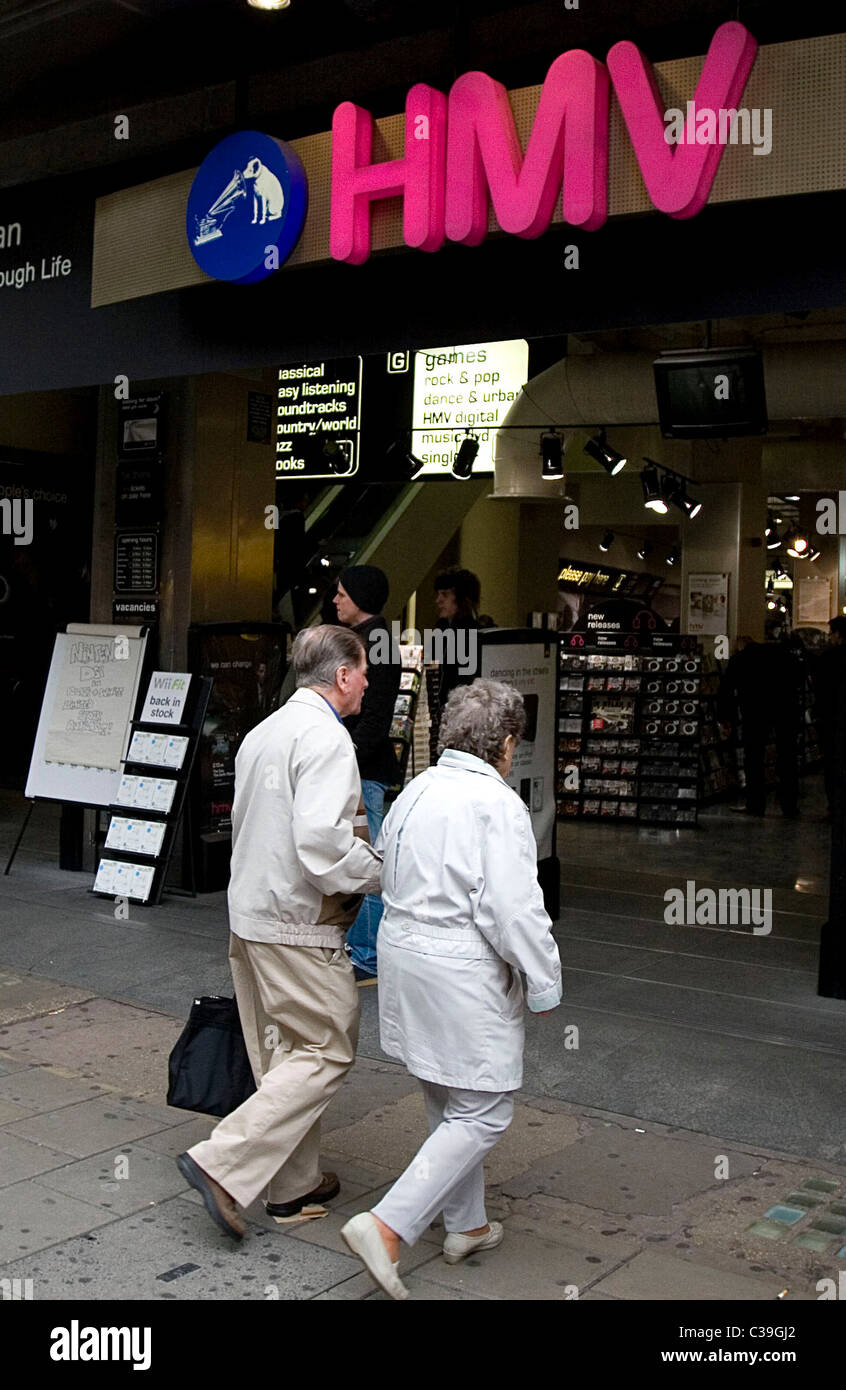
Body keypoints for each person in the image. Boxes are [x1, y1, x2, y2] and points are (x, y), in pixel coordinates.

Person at [339, 679, 562, 1299]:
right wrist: (545, 983)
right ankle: (386, 1227)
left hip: (404, 958)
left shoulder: (416, 790)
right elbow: (513, 911)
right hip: (460, 968)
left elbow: (383, 864)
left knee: (446, 1096)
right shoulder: (497, 806)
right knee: (486, 1109)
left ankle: (468, 1225)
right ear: (507, 744)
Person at [177, 625, 382, 1239]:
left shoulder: (265, 730)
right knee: (326, 1049)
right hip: (299, 924)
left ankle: (293, 1191)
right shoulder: (328, 739)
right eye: (364, 670)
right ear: (342, 675)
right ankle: (222, 1161)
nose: (369, 681)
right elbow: (323, 848)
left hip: (251, 914)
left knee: (283, 1059)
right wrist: (382, 870)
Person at [334, 565, 402, 983]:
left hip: (364, 770)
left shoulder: (376, 644)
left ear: (360, 596)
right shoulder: (365, 640)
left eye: (342, 593)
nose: (336, 600)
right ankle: (362, 948)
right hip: (361, 765)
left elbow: (375, 719)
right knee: (361, 856)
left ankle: (368, 955)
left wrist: (345, 754)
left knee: (368, 859)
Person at [717, 636, 803, 817]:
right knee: (787, 757)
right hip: (785, 711)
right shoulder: (784, 655)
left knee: (754, 758)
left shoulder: (740, 660)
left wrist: (725, 717)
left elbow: (726, 690)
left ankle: (756, 804)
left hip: (754, 713)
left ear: (740, 646)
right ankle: (790, 806)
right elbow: (799, 679)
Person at [812, 616, 846, 817]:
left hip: (831, 719)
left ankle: (834, 806)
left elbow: (821, 689)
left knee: (832, 765)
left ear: (838, 634)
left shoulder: (828, 658)